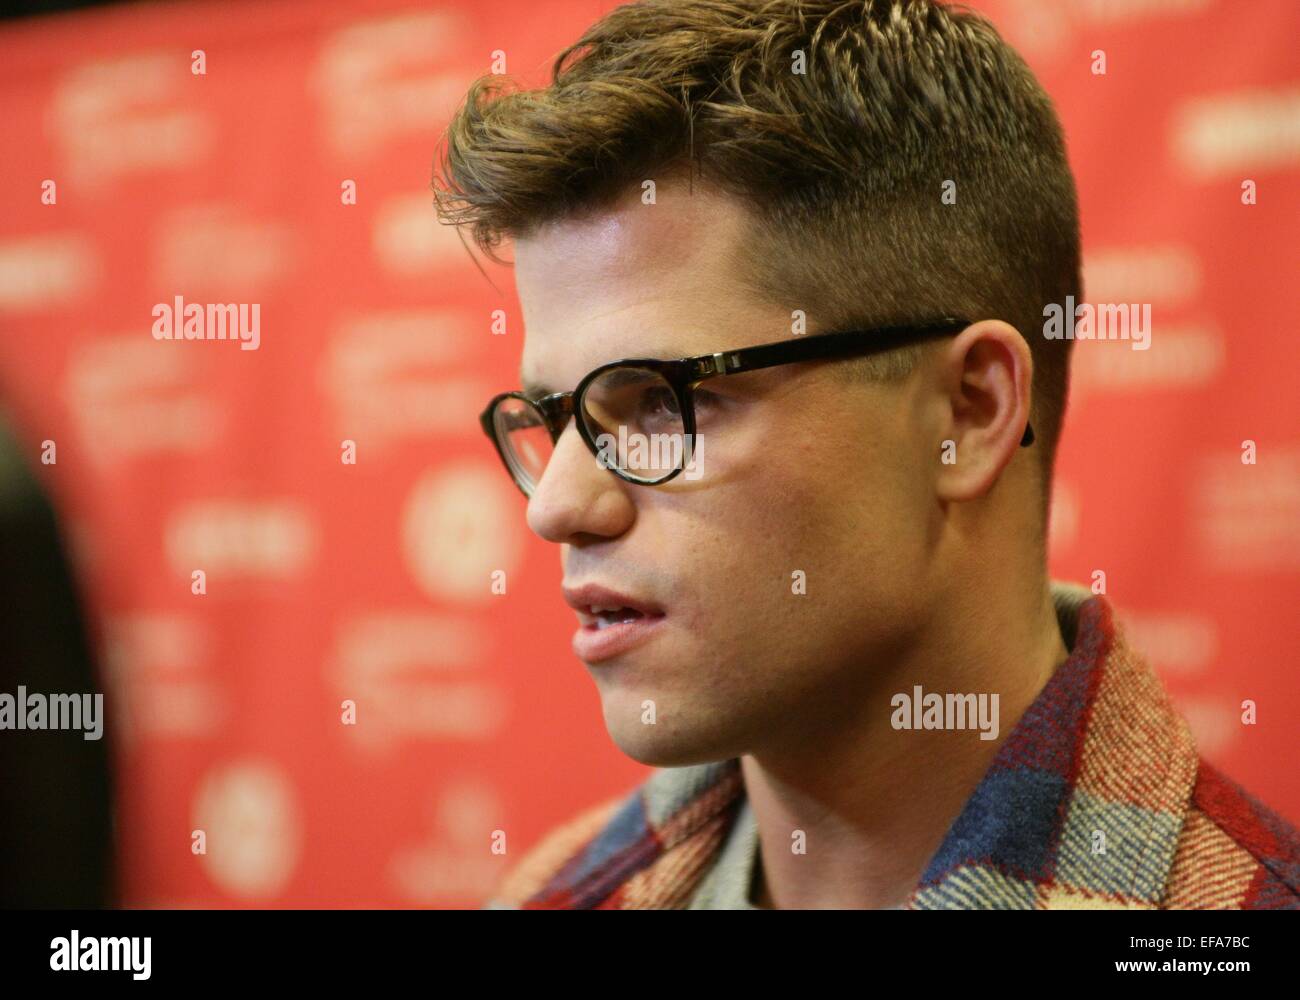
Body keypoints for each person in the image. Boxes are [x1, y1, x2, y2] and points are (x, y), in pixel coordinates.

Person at [431, 0, 1299, 909]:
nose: (556, 506)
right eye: (553, 415)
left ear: (968, 411)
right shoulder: (552, 897)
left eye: (660, 400)